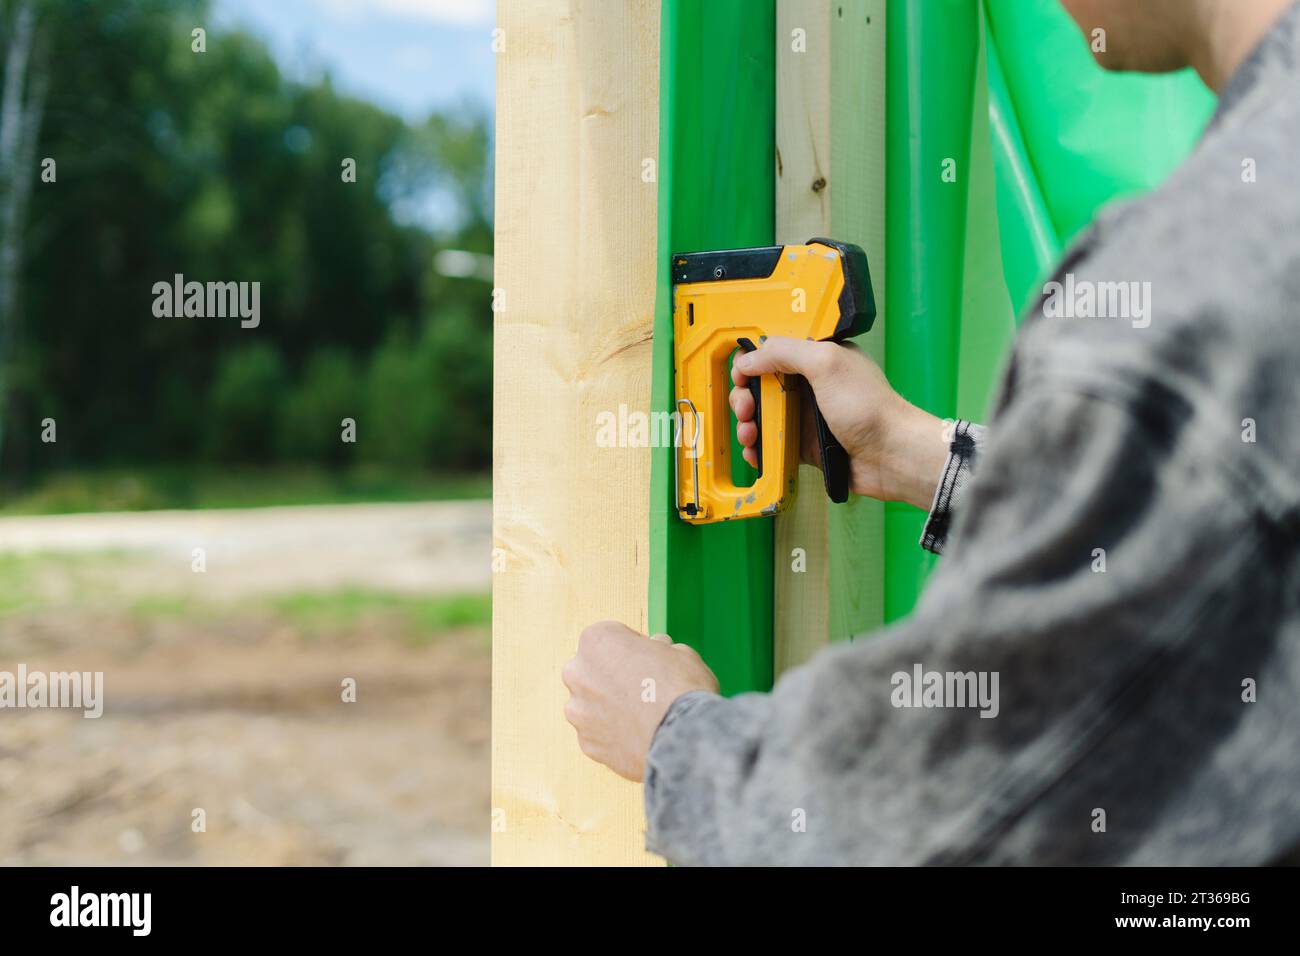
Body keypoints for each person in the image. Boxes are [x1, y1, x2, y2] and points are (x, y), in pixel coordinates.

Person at [562, 0, 1300, 864]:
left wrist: (670, 739)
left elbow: (946, 812)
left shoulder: (1193, 285)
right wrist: (919, 456)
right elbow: (1228, 534)